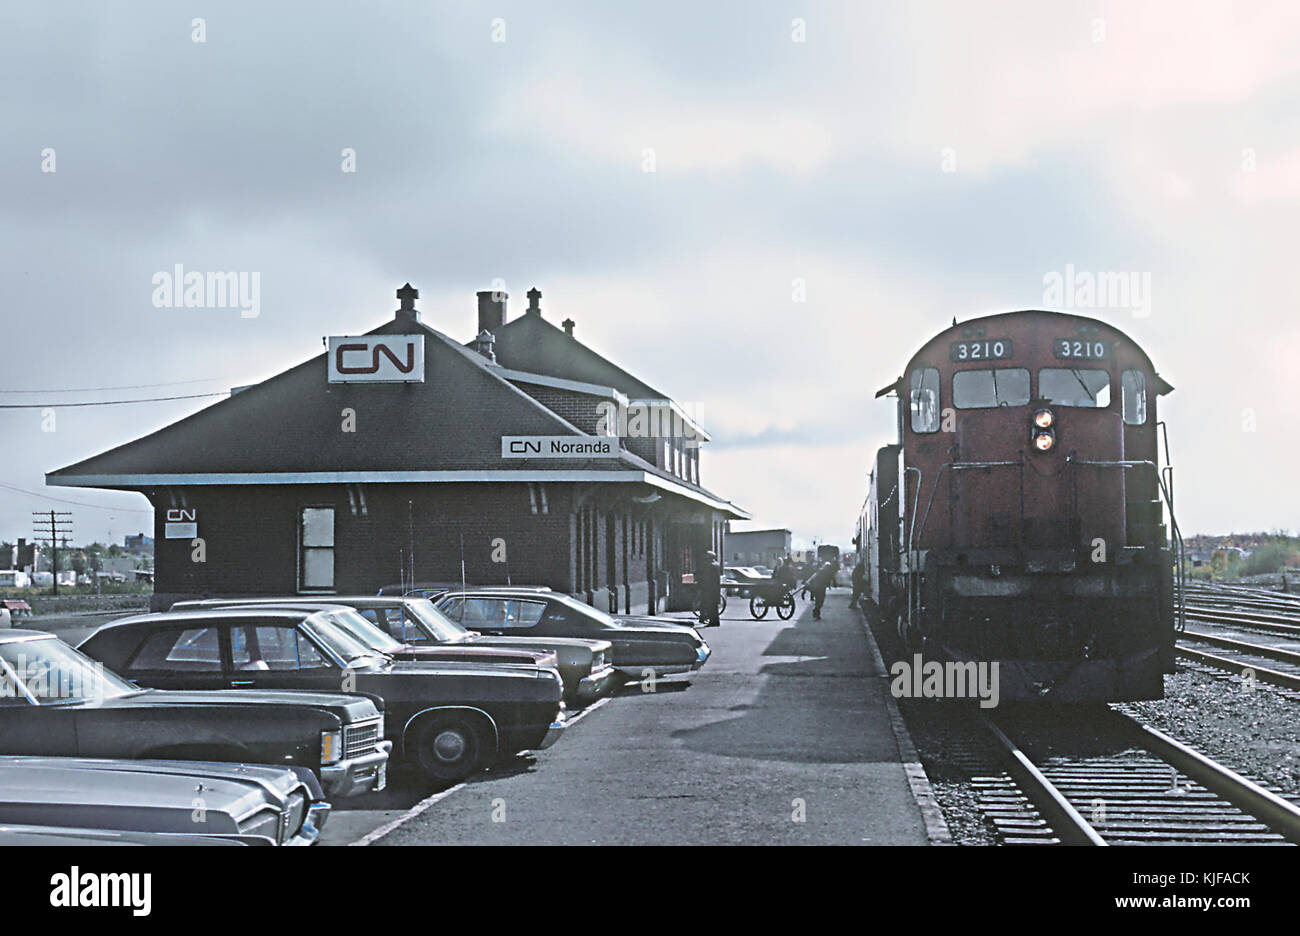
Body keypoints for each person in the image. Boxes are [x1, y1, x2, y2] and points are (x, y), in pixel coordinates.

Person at [697, 550, 722, 628]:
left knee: (710, 605)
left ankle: (712, 621)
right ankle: (715, 621)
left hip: (709, 588)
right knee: (714, 606)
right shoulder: (717, 565)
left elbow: (707, 578)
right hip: (716, 588)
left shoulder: (710, 566)